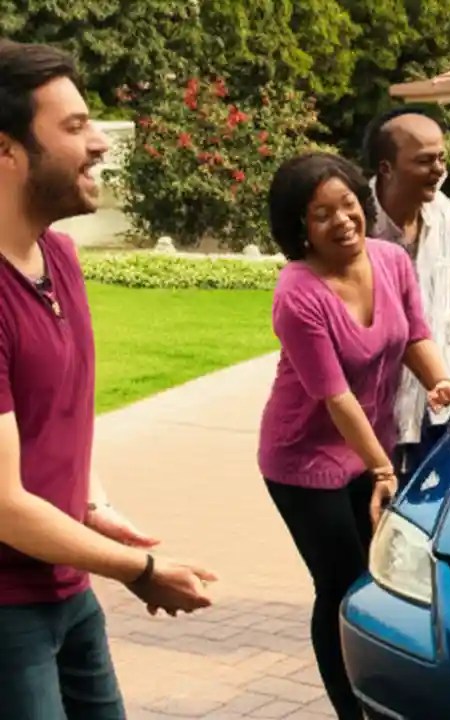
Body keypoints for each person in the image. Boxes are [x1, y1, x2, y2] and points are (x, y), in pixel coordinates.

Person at [0, 40, 218, 719]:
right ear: (6, 151)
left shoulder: (59, 258)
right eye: (72, 127)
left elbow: (59, 419)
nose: (98, 143)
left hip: (70, 592)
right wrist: (142, 571)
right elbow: (4, 505)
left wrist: (92, 507)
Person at [257, 151, 450, 720]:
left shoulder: (391, 260)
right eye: (321, 214)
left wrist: (439, 380)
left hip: (368, 448)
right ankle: (353, 708)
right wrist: (382, 470)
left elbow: (416, 334)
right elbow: (335, 396)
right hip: (303, 460)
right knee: (342, 584)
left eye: (347, 204)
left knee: (376, 575)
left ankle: (381, 689)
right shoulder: (298, 293)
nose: (342, 220)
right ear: (299, 227)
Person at [361, 106, 450, 479]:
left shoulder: (440, 213)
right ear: (386, 168)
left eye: (441, 157)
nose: (439, 169)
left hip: (437, 402)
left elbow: (442, 313)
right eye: (424, 161)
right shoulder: (356, 226)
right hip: (374, 415)